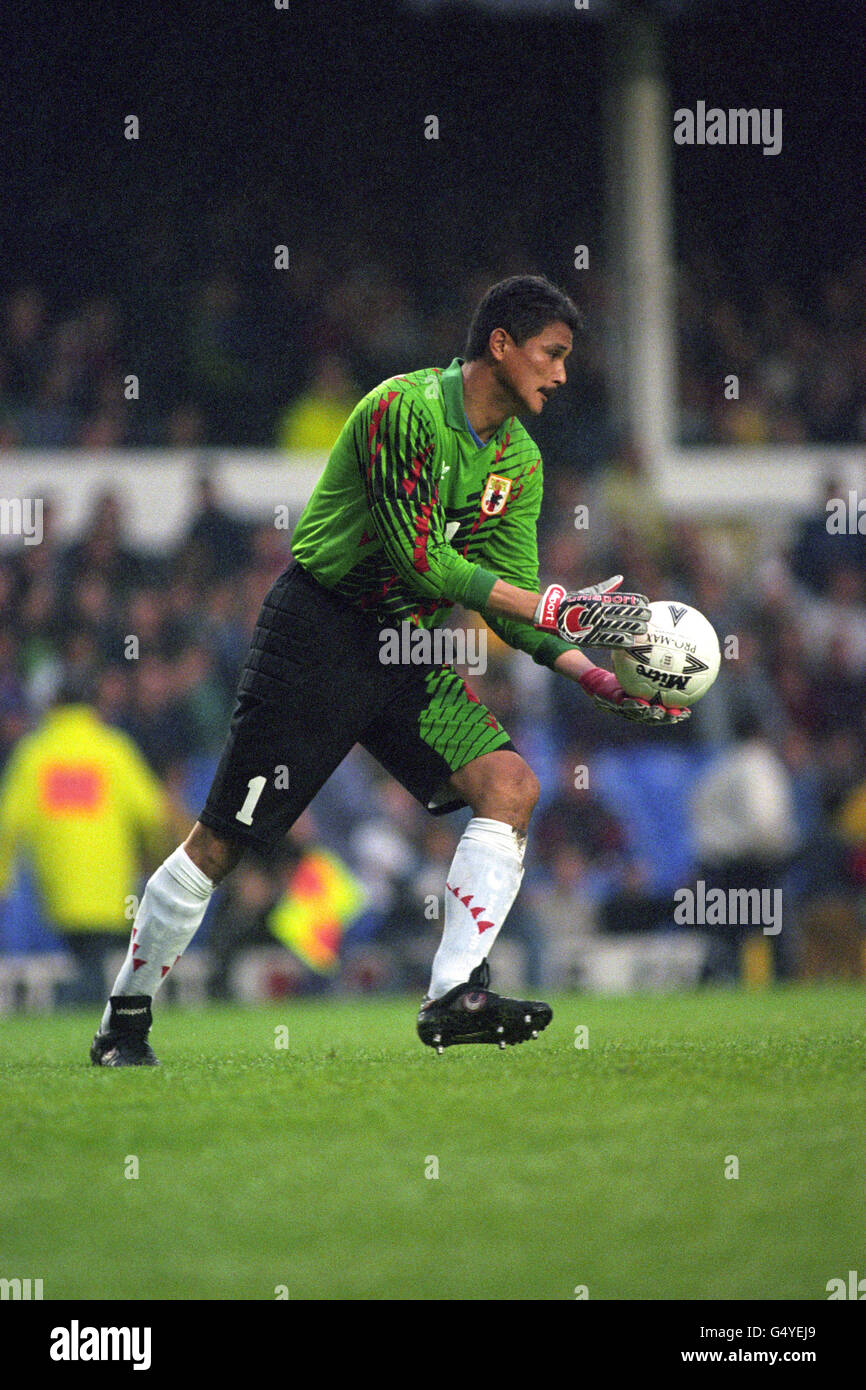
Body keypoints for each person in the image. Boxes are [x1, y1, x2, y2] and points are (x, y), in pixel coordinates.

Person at [91, 274, 689, 1066]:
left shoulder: (519, 460)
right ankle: (123, 1020)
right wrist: (553, 607)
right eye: (551, 353)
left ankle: (452, 995)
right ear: (501, 345)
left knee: (509, 786)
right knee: (220, 845)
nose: (562, 373)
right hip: (316, 637)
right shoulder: (399, 411)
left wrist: (599, 679)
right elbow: (423, 562)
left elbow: (513, 606)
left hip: (406, 652)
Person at [0, 680, 171, 1005]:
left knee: (86, 960)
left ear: (53, 705)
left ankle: (73, 1010)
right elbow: (152, 813)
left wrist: (3, 879)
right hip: (109, 887)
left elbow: (7, 823)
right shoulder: (113, 750)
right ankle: (73, 1010)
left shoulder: (34, 754)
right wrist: (159, 856)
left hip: (58, 888)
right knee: (93, 963)